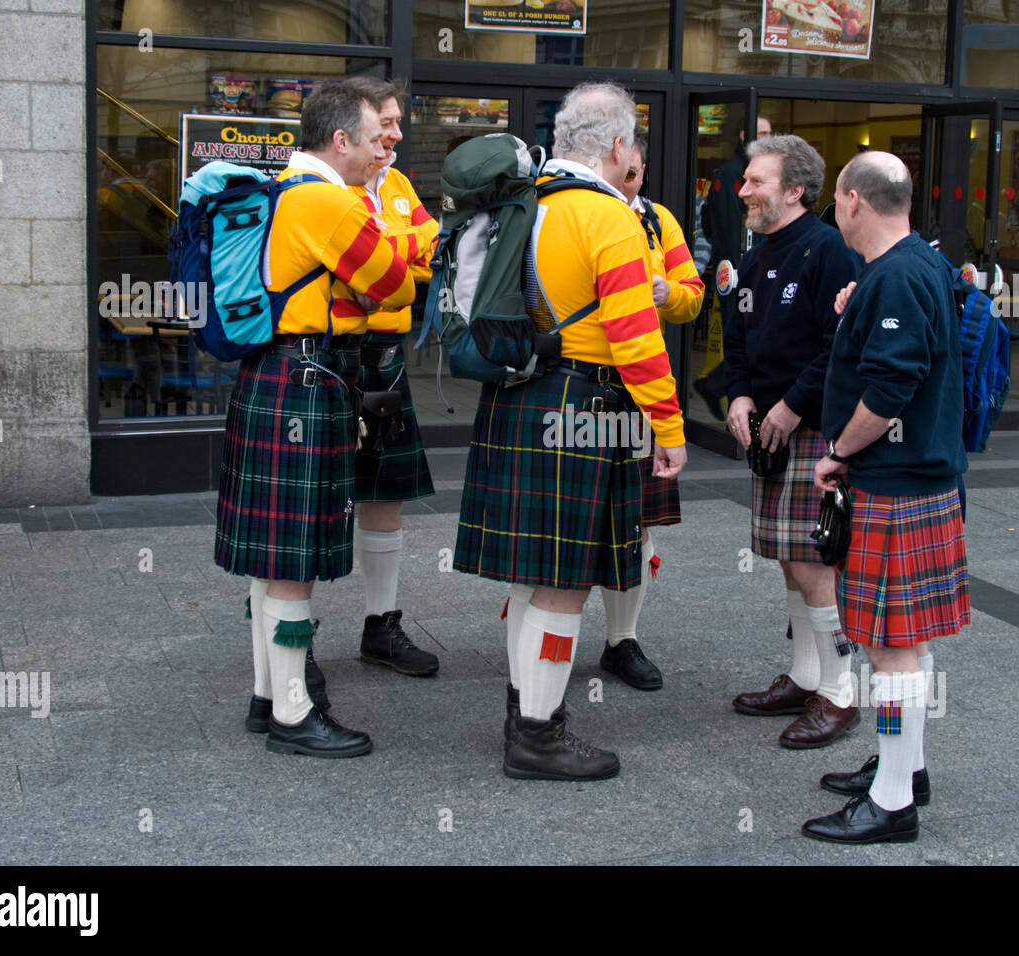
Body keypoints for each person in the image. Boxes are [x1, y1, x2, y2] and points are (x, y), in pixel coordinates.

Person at [453, 82, 687, 780]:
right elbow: (637, 335)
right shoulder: (606, 216)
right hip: (586, 404)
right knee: (564, 583)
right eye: (634, 142)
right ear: (617, 145)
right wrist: (668, 426)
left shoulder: (526, 203)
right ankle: (537, 737)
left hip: (521, 396)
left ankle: (526, 710)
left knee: (534, 578)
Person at [216, 81, 413, 758]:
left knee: (272, 559)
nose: (378, 152)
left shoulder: (279, 191)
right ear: (340, 141)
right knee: (293, 562)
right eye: (370, 139)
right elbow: (396, 282)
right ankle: (295, 713)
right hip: (306, 382)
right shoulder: (328, 200)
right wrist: (380, 256)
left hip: (271, 376)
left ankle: (269, 693)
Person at [802, 151, 970, 844]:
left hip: (896, 485)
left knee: (890, 649)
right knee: (908, 643)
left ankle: (894, 803)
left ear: (851, 202)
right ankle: (908, 767)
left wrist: (840, 451)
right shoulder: (914, 265)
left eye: (835, 200)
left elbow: (893, 384)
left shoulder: (897, 276)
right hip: (921, 480)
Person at [724, 135, 862, 750]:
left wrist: (790, 405)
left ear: (795, 191)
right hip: (770, 428)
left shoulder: (828, 250)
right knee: (789, 559)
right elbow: (736, 341)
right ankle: (808, 677)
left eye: (756, 181)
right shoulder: (753, 257)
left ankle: (840, 693)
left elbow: (841, 347)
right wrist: (739, 396)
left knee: (814, 565)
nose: (744, 191)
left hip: (813, 430)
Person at [341, 77, 443, 679]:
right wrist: (402, 251)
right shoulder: (327, 185)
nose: (397, 134)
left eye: (399, 122)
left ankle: (382, 625)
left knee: (384, 491)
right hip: (330, 349)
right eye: (387, 122)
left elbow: (428, 250)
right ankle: (280, 629)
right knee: (313, 494)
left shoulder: (399, 184)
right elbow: (369, 261)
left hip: (385, 347)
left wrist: (398, 249)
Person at [596, 127, 705, 690]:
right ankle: (540, 649)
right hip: (582, 383)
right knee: (568, 525)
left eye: (638, 174)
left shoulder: (660, 220)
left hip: (642, 385)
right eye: (626, 171)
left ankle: (623, 640)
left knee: (637, 525)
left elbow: (694, 294)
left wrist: (668, 293)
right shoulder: (580, 210)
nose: (631, 183)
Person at [695, 117, 772, 420]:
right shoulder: (731, 174)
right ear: (743, 134)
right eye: (761, 133)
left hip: (750, 271)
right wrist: (738, 271)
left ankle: (716, 388)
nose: (767, 138)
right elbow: (728, 229)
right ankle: (716, 388)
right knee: (747, 340)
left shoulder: (750, 170)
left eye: (769, 133)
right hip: (740, 274)